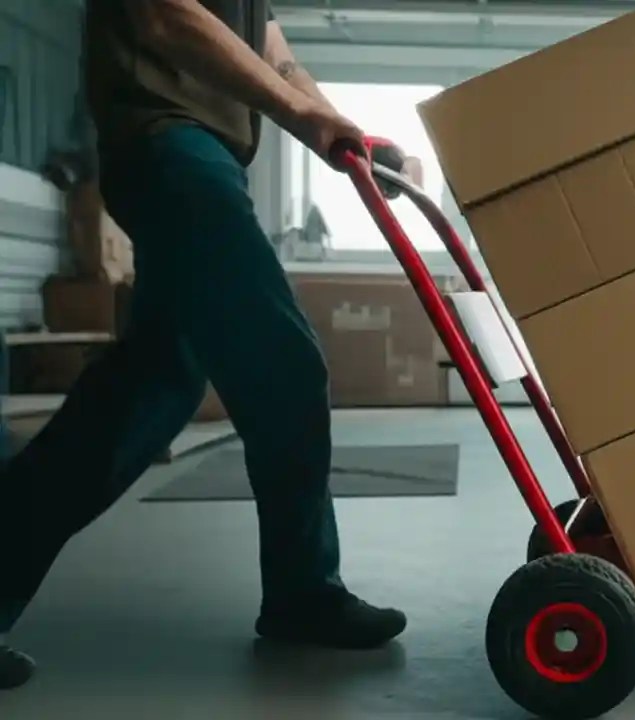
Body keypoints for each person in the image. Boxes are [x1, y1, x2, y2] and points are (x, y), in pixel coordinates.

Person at [0, 0, 407, 690]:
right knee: (282, 366)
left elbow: (278, 55)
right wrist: (306, 120)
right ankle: (303, 594)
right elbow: (165, 16)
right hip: (166, 145)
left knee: (154, 385)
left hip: (202, 155)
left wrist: (347, 133)